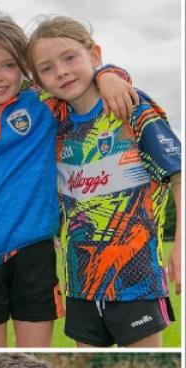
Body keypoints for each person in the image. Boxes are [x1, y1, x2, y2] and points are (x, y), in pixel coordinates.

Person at [0, 12, 134, 348]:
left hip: (35, 255)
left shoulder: (46, 103)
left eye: (9, 65)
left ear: (25, 67)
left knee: (32, 360)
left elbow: (83, 78)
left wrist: (109, 74)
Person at [28, 16, 182, 348]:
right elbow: (5, 85)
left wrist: (181, 245)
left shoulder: (131, 106)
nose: (62, 72)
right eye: (47, 68)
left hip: (138, 281)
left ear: (94, 55)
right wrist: (108, 72)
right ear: (39, 80)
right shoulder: (53, 120)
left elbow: (178, 175)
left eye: (70, 58)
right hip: (81, 284)